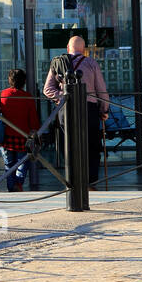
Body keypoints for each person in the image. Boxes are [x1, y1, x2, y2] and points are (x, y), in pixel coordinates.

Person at [43, 35, 109, 185]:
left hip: (65, 109)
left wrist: (66, 96)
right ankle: (90, 182)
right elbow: (101, 89)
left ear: (67, 48)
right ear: (84, 50)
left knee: (69, 145)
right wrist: (104, 110)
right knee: (92, 145)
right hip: (89, 110)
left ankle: (73, 182)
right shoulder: (91, 63)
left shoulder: (57, 63)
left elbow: (47, 89)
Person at [0, 68, 41, 192]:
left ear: (9, 80)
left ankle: (12, 188)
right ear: (24, 81)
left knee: (9, 165)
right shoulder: (27, 97)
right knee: (23, 163)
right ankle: (18, 183)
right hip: (23, 137)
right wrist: (37, 133)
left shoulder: (1, 95)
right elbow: (33, 119)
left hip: (5, 137)